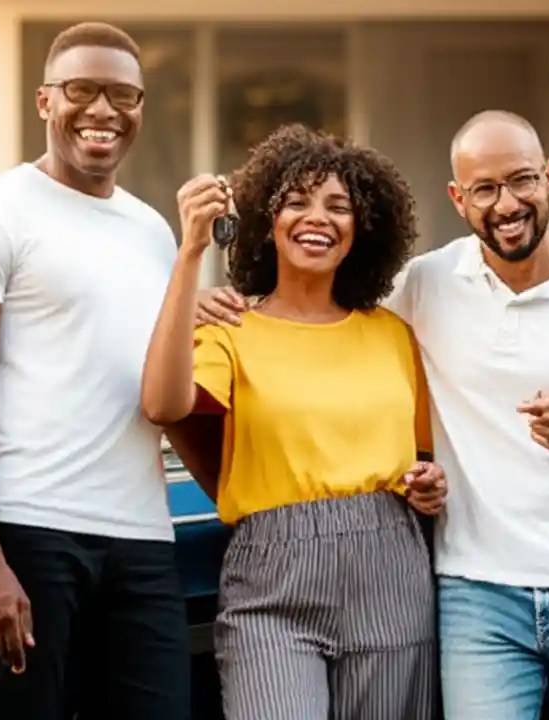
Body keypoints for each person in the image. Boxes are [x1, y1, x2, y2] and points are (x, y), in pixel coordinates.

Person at [196, 110, 549, 719]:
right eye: (485, 189)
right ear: (459, 198)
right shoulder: (426, 285)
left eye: (521, 181)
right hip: (475, 595)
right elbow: (313, 317)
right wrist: (207, 302)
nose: (507, 203)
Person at [0, 22, 190, 720]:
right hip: (28, 534)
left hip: (142, 541)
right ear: (45, 101)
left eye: (123, 95)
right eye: (82, 90)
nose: (103, 110)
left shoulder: (153, 233)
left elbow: (158, 383)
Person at [141, 123, 447, 720]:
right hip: (269, 579)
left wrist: (430, 487)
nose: (319, 218)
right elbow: (162, 406)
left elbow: (426, 460)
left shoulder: (393, 336)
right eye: (297, 202)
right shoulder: (230, 327)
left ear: (363, 230)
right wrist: (190, 255)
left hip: (391, 570)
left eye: (339, 206)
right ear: (265, 221)